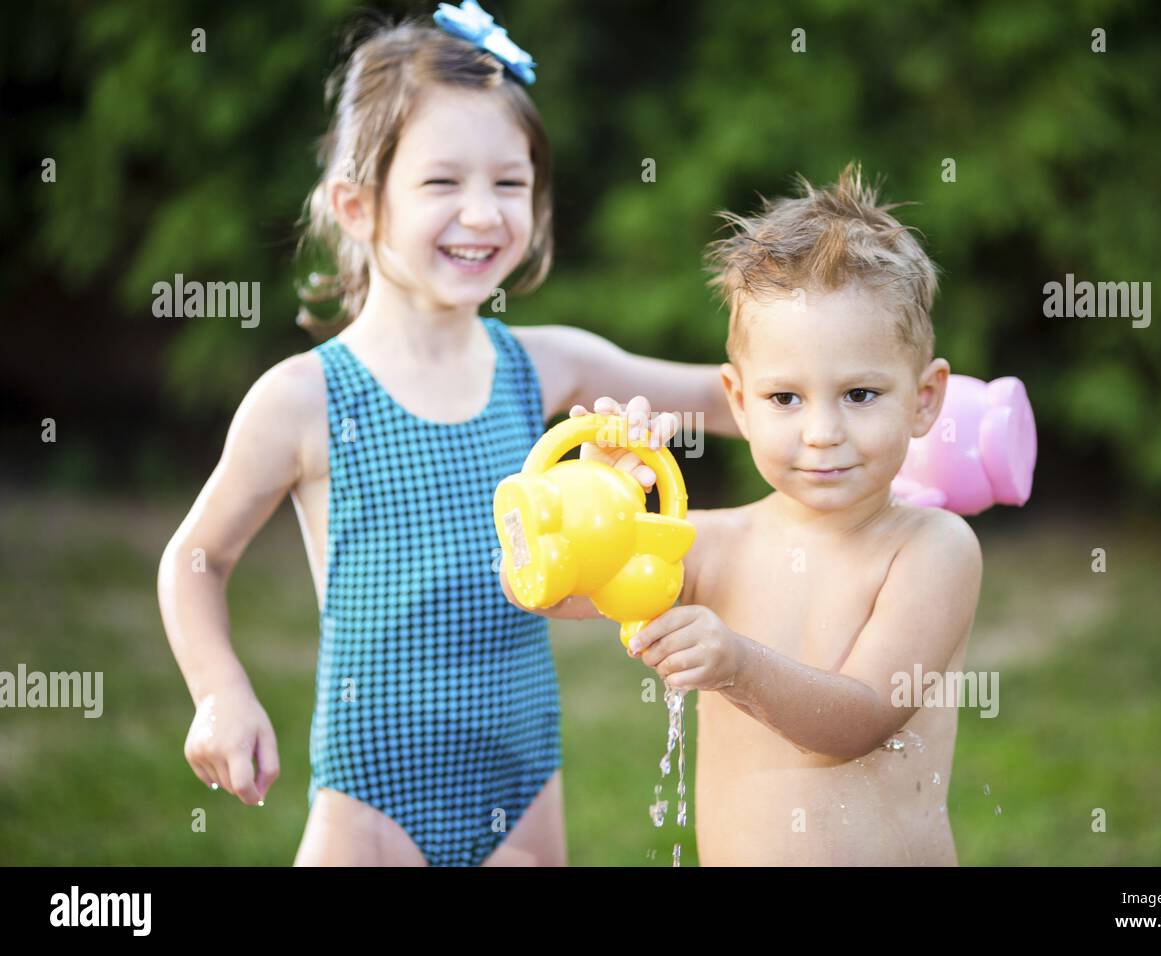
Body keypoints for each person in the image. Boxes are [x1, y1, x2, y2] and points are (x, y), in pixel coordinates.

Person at [157, 8, 736, 867]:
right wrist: (219, 691)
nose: (483, 213)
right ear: (357, 205)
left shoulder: (550, 367)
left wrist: (883, 410)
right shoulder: (303, 400)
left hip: (525, 777)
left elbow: (729, 400)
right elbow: (194, 558)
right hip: (369, 798)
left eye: (510, 183)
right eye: (441, 184)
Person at [552, 164, 983, 864]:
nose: (821, 432)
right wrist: (597, 506)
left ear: (925, 398)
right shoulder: (712, 545)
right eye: (786, 399)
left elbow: (862, 718)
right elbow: (552, 591)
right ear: (739, 401)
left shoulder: (931, 549)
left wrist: (738, 667)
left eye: (860, 394)